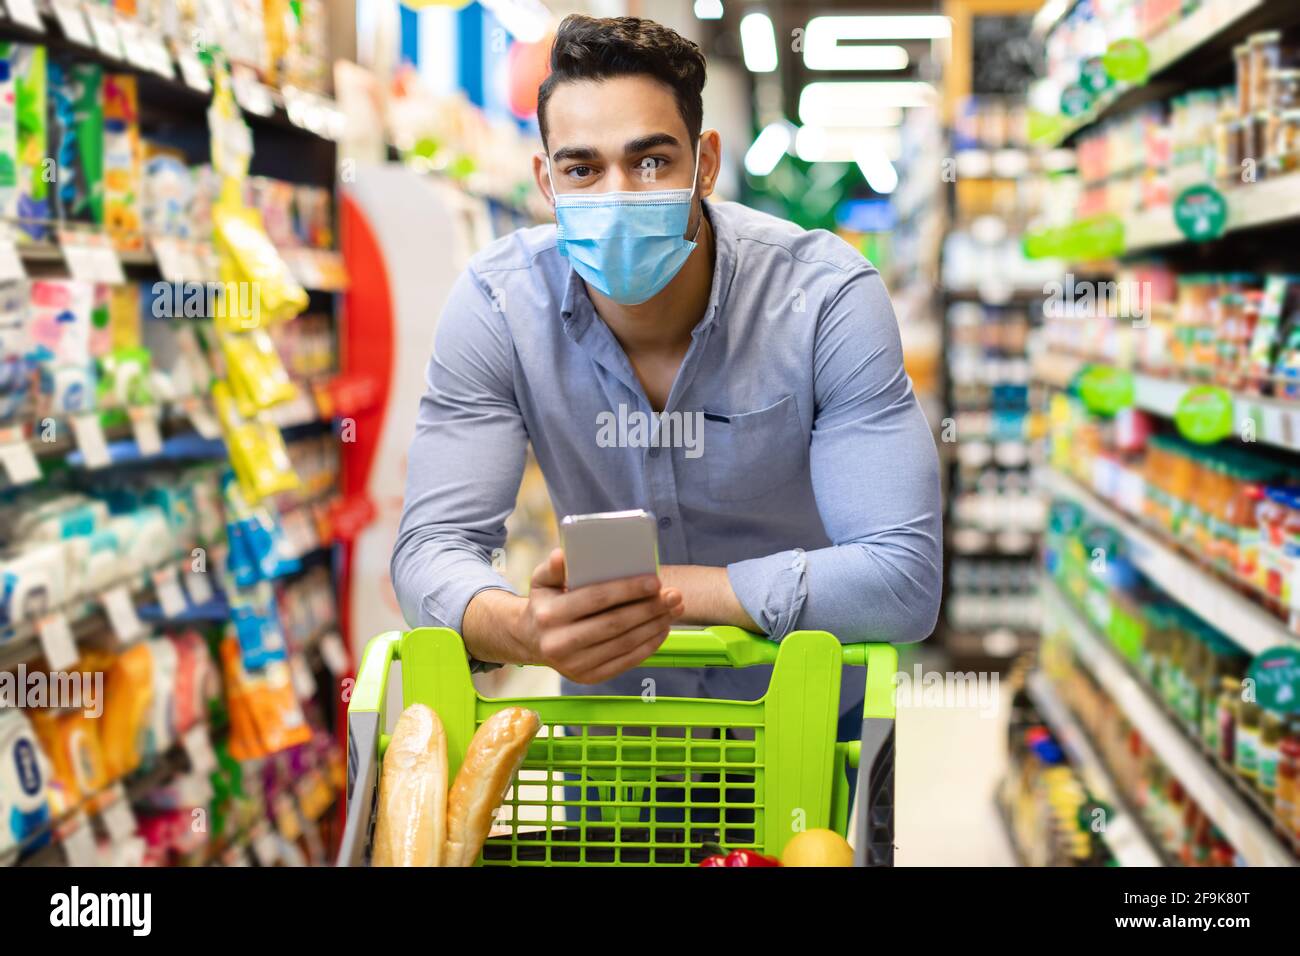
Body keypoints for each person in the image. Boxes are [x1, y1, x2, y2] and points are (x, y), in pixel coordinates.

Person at [392, 15, 941, 798]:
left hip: (807, 739)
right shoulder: (497, 306)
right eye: (582, 170)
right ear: (547, 184)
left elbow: (902, 577)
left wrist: (664, 590)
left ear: (704, 164)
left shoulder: (823, 300)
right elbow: (428, 550)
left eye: (650, 162)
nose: (616, 195)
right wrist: (520, 628)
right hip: (616, 750)